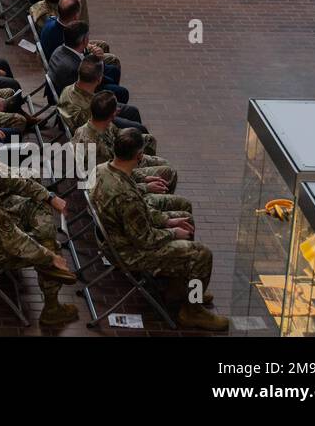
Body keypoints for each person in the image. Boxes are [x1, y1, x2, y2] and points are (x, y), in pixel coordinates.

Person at [91, 128, 228, 330]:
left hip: (117, 236)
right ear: (139, 156)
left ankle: (182, 284)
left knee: (184, 218)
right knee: (202, 254)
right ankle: (193, 309)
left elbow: (140, 213)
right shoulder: (126, 196)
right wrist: (173, 232)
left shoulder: (102, 169)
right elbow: (145, 239)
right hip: (129, 251)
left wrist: (167, 221)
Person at [0, 141, 79, 326]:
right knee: (48, 250)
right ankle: (52, 308)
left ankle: (47, 248)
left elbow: (13, 178)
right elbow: (15, 242)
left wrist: (49, 196)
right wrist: (49, 256)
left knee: (39, 203)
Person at [49, 22, 129, 103]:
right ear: (84, 40)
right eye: (88, 36)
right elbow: (98, 81)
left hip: (69, 84)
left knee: (114, 70)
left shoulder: (60, 48)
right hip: (80, 96)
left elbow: (81, 55)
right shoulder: (75, 67)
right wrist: (99, 60)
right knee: (122, 92)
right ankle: (109, 107)